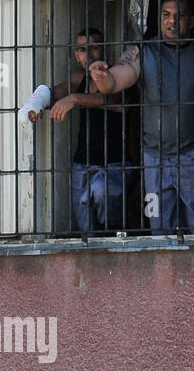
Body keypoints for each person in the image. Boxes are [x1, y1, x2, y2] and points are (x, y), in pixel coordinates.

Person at [87, 0, 194, 235]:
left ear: (192, 21)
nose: (172, 21)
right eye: (166, 15)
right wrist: (101, 76)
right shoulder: (144, 52)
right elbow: (115, 81)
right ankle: (168, 274)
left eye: (180, 15)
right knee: (160, 230)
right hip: (155, 157)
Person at [28, 28, 130, 234]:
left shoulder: (117, 76)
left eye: (94, 48)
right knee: (86, 228)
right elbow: (55, 93)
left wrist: (74, 99)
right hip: (83, 163)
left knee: (106, 209)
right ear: (77, 54)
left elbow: (110, 99)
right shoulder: (78, 78)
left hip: (114, 162)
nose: (89, 54)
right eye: (83, 49)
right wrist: (36, 105)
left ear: (104, 50)